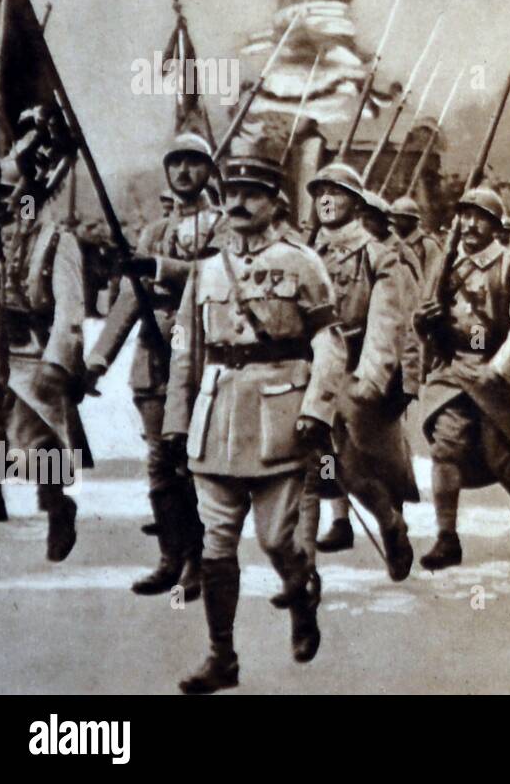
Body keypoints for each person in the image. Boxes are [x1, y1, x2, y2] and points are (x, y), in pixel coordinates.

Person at [163, 140, 347, 693]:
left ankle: (301, 594)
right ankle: (222, 656)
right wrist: (176, 420)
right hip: (216, 419)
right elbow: (186, 350)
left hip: (280, 422)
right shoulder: (207, 270)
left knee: (275, 541)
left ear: (277, 203)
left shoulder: (302, 263)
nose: (238, 203)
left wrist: (317, 409)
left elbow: (330, 343)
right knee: (216, 543)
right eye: (232, 192)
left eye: (252, 193)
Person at [86, 131, 220, 600]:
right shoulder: (150, 233)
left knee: (191, 464)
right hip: (153, 359)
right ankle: (170, 557)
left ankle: (199, 561)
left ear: (207, 169)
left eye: (193, 163)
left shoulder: (222, 226)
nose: (183, 172)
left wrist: (160, 269)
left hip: (198, 356)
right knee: (160, 464)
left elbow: (222, 278)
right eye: (175, 164)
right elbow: (128, 302)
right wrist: (97, 361)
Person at [414, 187, 510, 570]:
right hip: (454, 368)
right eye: (465, 215)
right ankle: (447, 537)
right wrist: (425, 322)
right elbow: (425, 313)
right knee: (445, 447)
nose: (469, 224)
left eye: (480, 217)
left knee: (499, 454)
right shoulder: (447, 267)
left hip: (495, 371)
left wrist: (499, 369)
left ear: (496, 227)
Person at [302, 162, 418, 581]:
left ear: (356, 202)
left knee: (355, 468)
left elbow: (389, 322)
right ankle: (308, 566)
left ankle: (389, 522)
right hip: (313, 371)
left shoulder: (379, 255)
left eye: (335, 192)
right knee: (316, 467)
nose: (326, 200)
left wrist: (371, 379)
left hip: (354, 371)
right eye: (319, 193)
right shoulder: (306, 254)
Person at [0, 158, 90, 582]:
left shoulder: (55, 240)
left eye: (13, 197)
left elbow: (69, 308)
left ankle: (58, 503)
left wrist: (59, 360)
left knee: (35, 450)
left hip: (33, 355)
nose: (6, 206)